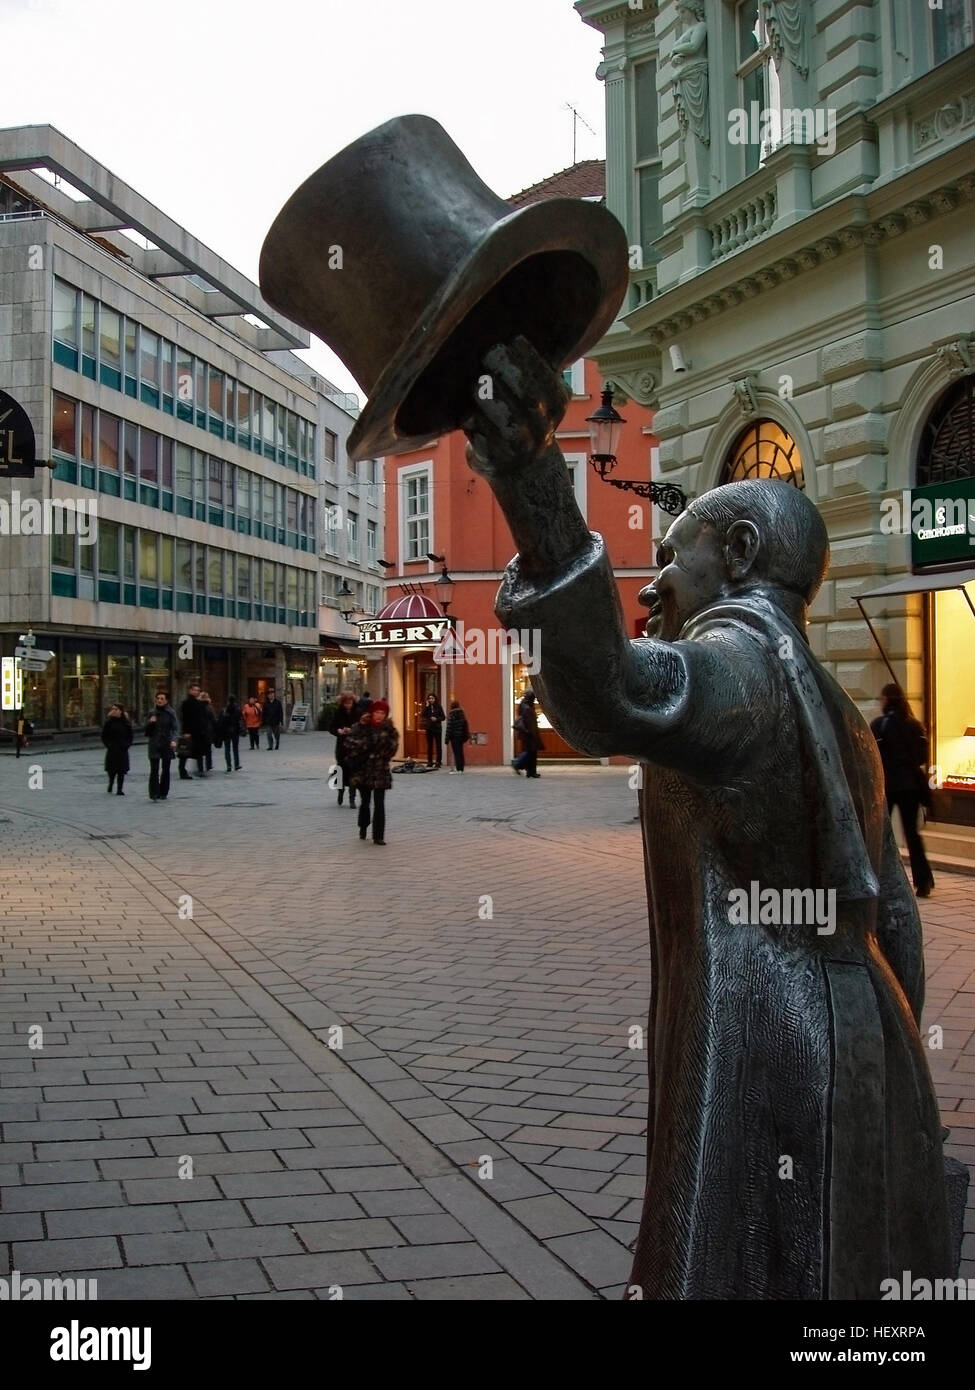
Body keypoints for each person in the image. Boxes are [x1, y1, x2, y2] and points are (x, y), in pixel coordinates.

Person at [461, 337, 951, 1300]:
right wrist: (883, 1056)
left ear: (736, 554)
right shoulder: (839, 709)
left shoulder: (736, 667)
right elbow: (896, 920)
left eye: (671, 555)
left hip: (766, 1051)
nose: (653, 585)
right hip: (867, 1037)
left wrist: (537, 492)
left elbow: (610, 699)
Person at [871, 684, 935, 898]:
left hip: (887, 786)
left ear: (887, 699)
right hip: (910, 787)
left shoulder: (880, 726)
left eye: (882, 699)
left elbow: (873, 756)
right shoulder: (914, 725)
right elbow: (922, 758)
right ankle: (923, 880)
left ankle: (878, 878)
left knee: (881, 835)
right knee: (912, 835)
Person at [346, 699, 399, 845]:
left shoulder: (389, 730)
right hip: (363, 770)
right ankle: (363, 826)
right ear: (371, 712)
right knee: (365, 802)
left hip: (380, 770)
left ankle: (378, 835)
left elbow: (393, 749)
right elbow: (349, 743)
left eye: (382, 713)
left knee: (380, 803)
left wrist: (383, 750)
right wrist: (365, 746)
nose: (379, 715)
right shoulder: (361, 727)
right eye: (377, 712)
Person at [145, 690, 179, 802]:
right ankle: (154, 792)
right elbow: (147, 732)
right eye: (158, 698)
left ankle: (163, 792)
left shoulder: (170, 712)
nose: (159, 700)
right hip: (154, 743)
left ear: (166, 700)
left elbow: (175, 728)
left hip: (166, 743)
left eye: (162, 699)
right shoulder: (152, 712)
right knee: (154, 769)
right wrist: (151, 723)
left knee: (166, 769)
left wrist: (174, 740)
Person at [329, 690, 360, 806]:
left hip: (354, 747)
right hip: (341, 746)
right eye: (346, 703)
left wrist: (352, 731)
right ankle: (340, 792)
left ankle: (352, 798)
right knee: (340, 771)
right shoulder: (338, 712)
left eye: (350, 703)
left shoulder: (358, 712)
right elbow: (331, 726)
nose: (348, 705)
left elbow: (362, 727)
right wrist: (338, 731)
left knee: (353, 772)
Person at [101, 703, 133, 795]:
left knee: (121, 771)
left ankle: (120, 789)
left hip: (122, 750)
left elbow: (130, 736)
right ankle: (111, 783)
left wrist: (126, 745)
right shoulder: (109, 723)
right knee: (111, 770)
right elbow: (104, 736)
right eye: (113, 709)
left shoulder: (126, 723)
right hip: (112, 749)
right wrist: (108, 745)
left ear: (121, 711)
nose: (114, 711)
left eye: (116, 709)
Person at [511, 690, 543, 778]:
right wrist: (533, 734)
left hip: (526, 734)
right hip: (529, 734)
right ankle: (518, 764)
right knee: (531, 753)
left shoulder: (524, 706)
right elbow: (530, 723)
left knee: (530, 753)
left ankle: (530, 771)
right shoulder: (527, 708)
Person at [179, 683, 207, 779]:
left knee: (195, 752)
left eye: (198, 690)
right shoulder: (187, 703)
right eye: (195, 690)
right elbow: (185, 718)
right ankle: (183, 771)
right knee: (185, 752)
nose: (196, 692)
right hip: (190, 731)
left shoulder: (198, 703)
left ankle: (200, 770)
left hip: (197, 732)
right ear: (190, 690)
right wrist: (186, 731)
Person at [217, 696, 243, 773]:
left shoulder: (224, 710)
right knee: (235, 749)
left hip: (226, 732)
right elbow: (240, 720)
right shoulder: (238, 710)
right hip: (235, 732)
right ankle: (236, 764)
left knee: (227, 749)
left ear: (228, 701)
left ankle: (228, 765)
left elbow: (220, 722)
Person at [445, 699, 470, 774]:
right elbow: (465, 725)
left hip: (454, 737)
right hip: (460, 737)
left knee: (456, 753)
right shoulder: (462, 714)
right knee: (460, 752)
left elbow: (449, 728)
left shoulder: (452, 715)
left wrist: (446, 739)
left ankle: (458, 768)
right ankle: (461, 768)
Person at [422, 691, 446, 768]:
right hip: (429, 729)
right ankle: (430, 762)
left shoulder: (439, 706)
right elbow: (423, 714)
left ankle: (438, 762)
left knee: (438, 746)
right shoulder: (427, 707)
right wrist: (426, 706)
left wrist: (436, 719)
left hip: (437, 729)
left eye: (432, 698)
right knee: (430, 746)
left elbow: (443, 717)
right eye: (429, 698)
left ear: (435, 699)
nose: (431, 700)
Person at [199, 692, 217, 772]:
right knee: (208, 749)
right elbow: (213, 719)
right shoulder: (209, 707)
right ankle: (208, 764)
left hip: (199, 730)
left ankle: (200, 766)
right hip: (208, 731)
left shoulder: (197, 707)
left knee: (199, 749)